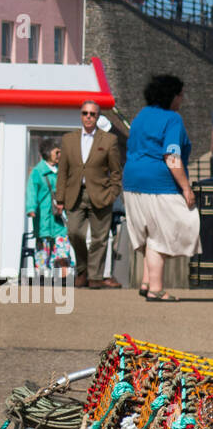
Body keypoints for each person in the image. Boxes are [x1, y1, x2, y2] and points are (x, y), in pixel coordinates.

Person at [124, 74, 200, 302]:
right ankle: (157, 289)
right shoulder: (173, 119)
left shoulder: (140, 116)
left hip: (132, 181)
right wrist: (186, 188)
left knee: (150, 233)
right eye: (181, 94)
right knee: (165, 232)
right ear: (172, 95)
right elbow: (171, 156)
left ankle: (147, 282)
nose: (182, 99)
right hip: (160, 183)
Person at [55, 101, 123, 288]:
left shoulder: (109, 140)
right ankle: (83, 269)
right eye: (85, 113)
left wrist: (112, 193)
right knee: (74, 233)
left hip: (101, 194)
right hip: (74, 194)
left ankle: (94, 276)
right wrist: (59, 198)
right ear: (81, 115)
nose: (88, 117)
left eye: (92, 114)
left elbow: (116, 171)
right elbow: (62, 171)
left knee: (99, 238)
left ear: (98, 117)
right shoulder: (69, 139)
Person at [26, 139, 70, 277]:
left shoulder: (61, 171)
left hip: (58, 216)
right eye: (57, 152)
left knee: (62, 244)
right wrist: (31, 208)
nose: (59, 155)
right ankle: (42, 274)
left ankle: (63, 275)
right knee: (43, 246)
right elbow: (31, 191)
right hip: (42, 216)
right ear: (48, 153)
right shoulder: (38, 172)